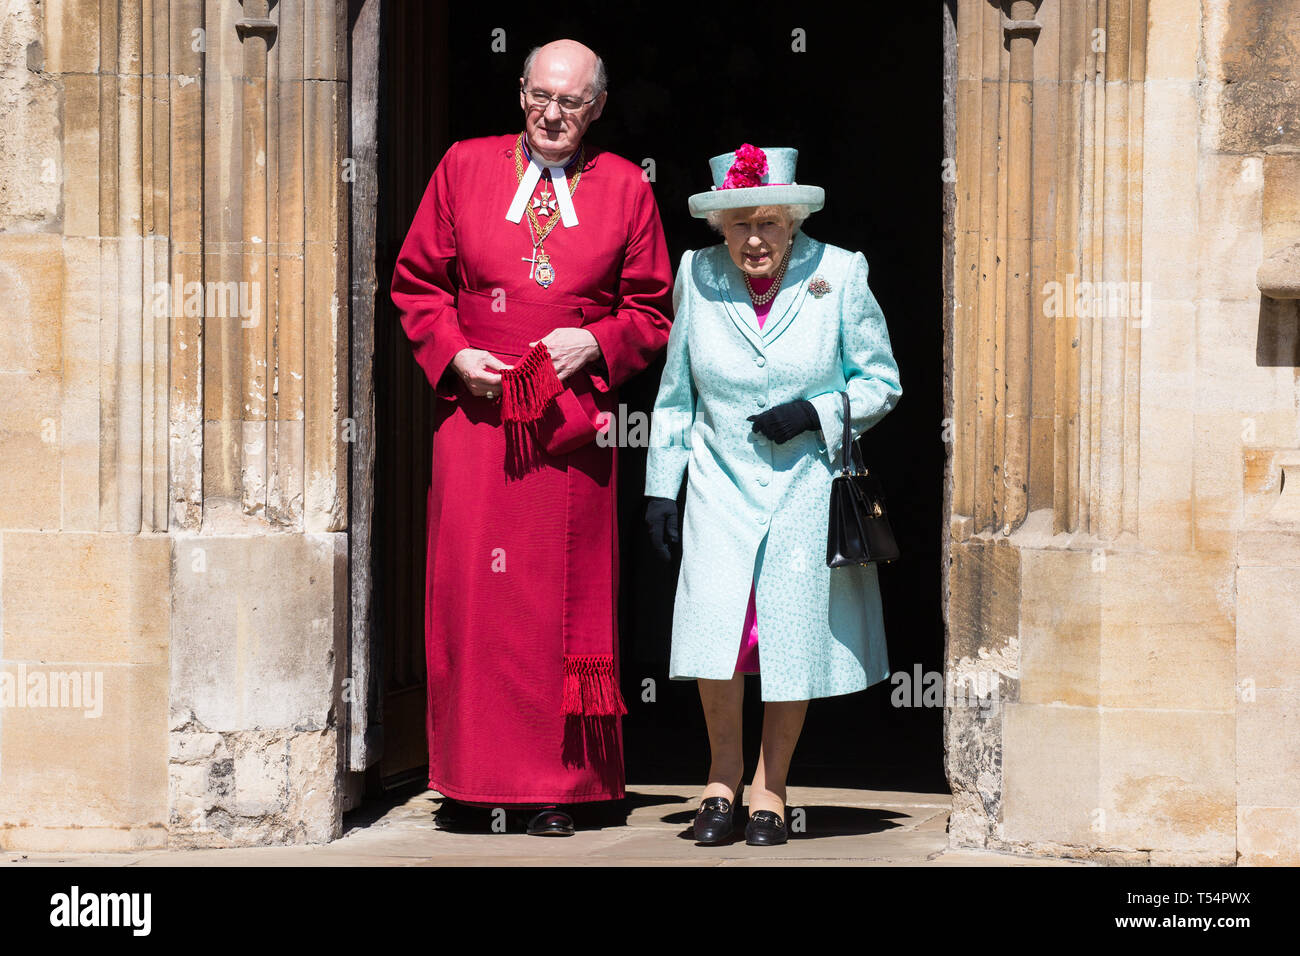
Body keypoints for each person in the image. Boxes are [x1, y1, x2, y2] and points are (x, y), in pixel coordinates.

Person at [391, 39, 673, 837]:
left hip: (569, 433)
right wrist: (453, 356)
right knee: (476, 599)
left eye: (574, 102)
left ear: (597, 108)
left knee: (558, 606)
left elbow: (652, 312)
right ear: (521, 93)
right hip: (478, 420)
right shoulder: (463, 165)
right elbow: (415, 281)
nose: (555, 114)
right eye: (542, 97)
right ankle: (474, 784)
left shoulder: (624, 187)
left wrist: (598, 346)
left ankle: (563, 787)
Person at [643, 144, 902, 846]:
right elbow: (674, 396)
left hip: (804, 487)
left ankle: (771, 786)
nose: (753, 239)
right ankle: (720, 778)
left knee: (787, 632)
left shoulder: (842, 274)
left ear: (793, 222)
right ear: (718, 230)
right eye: (738, 225)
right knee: (720, 633)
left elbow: (881, 382)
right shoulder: (697, 276)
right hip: (720, 483)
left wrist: (815, 412)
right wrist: (661, 489)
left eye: (767, 223)